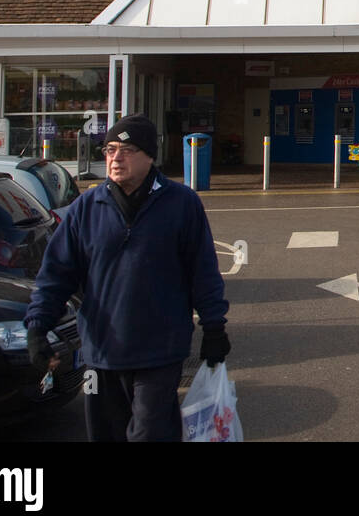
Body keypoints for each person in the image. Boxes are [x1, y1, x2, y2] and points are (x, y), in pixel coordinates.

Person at [24, 113, 230, 441]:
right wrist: (38, 327)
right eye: (109, 150)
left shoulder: (181, 204)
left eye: (127, 150)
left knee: (150, 434)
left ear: (149, 157)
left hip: (160, 350)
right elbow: (56, 274)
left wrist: (214, 327)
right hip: (102, 350)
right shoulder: (86, 208)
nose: (115, 158)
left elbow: (203, 271)